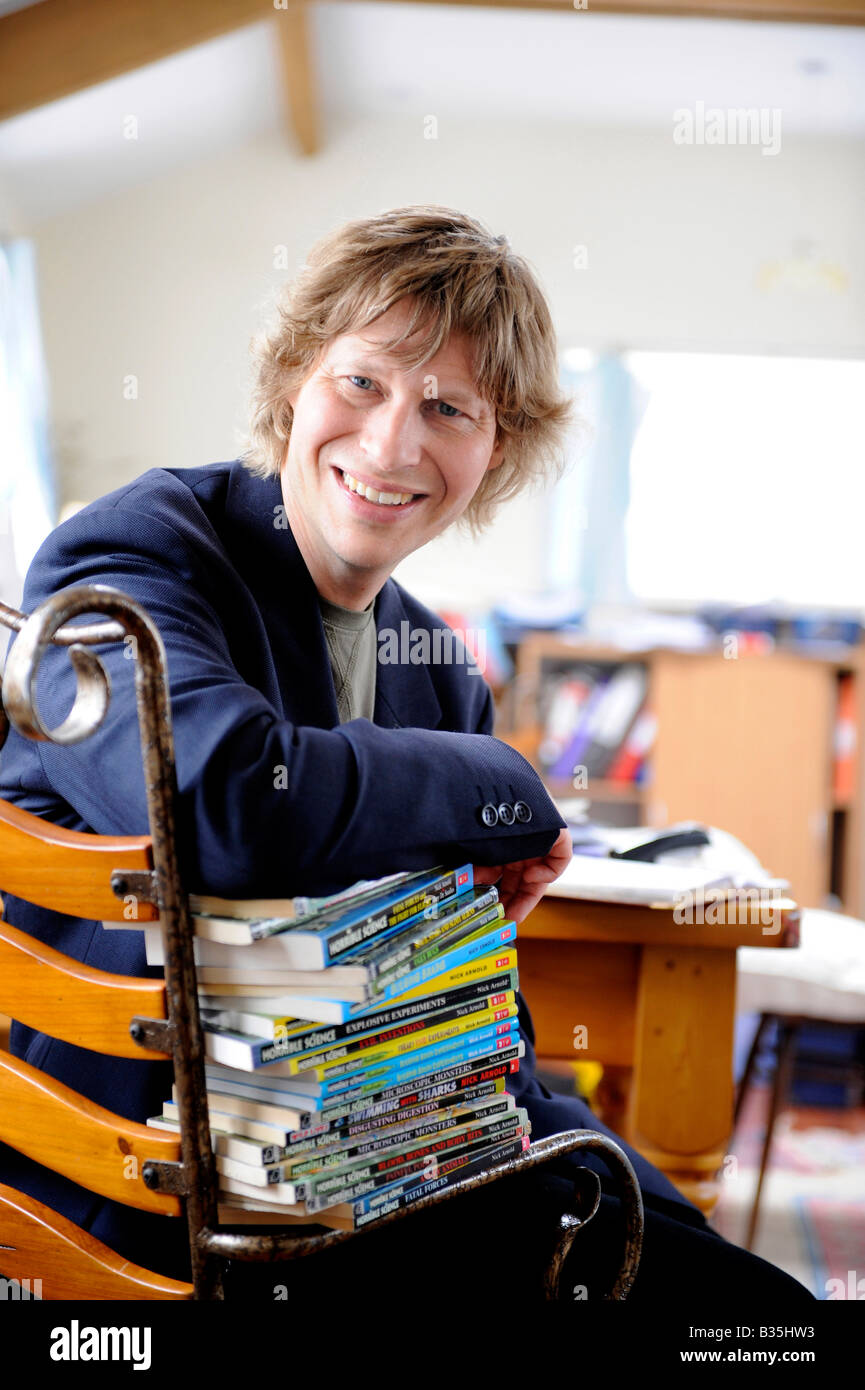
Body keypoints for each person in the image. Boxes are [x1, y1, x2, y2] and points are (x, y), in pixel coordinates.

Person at [0, 206, 814, 1306]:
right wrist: (510, 782)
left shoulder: (438, 673)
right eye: (362, 383)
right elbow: (220, 802)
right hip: (154, 1189)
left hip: (387, 1163)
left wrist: (633, 1199)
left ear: (497, 448)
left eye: (448, 408)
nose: (392, 445)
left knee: (744, 1303)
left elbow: (483, 1042)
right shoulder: (134, 549)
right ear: (294, 377)